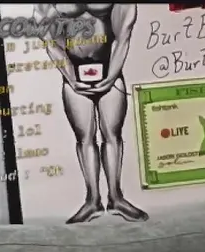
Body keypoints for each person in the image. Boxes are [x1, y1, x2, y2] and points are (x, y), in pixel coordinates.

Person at [37, 3, 149, 224]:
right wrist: (71, 77)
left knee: (113, 136)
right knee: (84, 139)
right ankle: (93, 201)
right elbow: (49, 41)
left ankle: (116, 198)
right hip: (74, 75)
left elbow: (123, 35)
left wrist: (111, 75)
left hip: (109, 71)